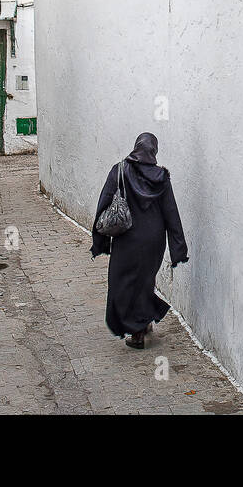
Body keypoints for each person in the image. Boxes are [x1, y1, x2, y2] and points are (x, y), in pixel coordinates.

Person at [90, 132, 188, 348]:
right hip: (153, 240)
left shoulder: (120, 170)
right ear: (154, 151)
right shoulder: (161, 176)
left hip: (127, 239)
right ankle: (142, 323)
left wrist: (100, 240)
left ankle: (137, 331)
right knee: (144, 282)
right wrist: (178, 248)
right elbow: (171, 212)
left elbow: (105, 202)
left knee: (121, 282)